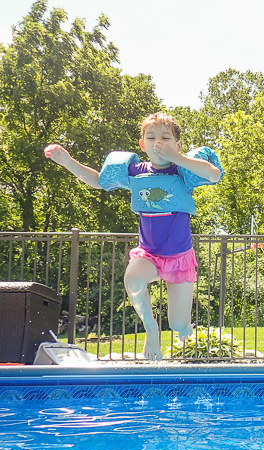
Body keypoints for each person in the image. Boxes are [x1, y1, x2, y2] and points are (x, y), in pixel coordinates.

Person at [44, 112, 223, 361]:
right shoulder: (135, 172)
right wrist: (68, 162)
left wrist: (177, 158)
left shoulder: (183, 172)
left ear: (178, 144)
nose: (158, 142)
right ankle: (151, 328)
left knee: (178, 324)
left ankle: (184, 330)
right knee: (133, 280)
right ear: (142, 144)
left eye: (165, 138)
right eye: (151, 137)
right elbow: (98, 181)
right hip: (149, 255)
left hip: (179, 257)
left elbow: (214, 175)